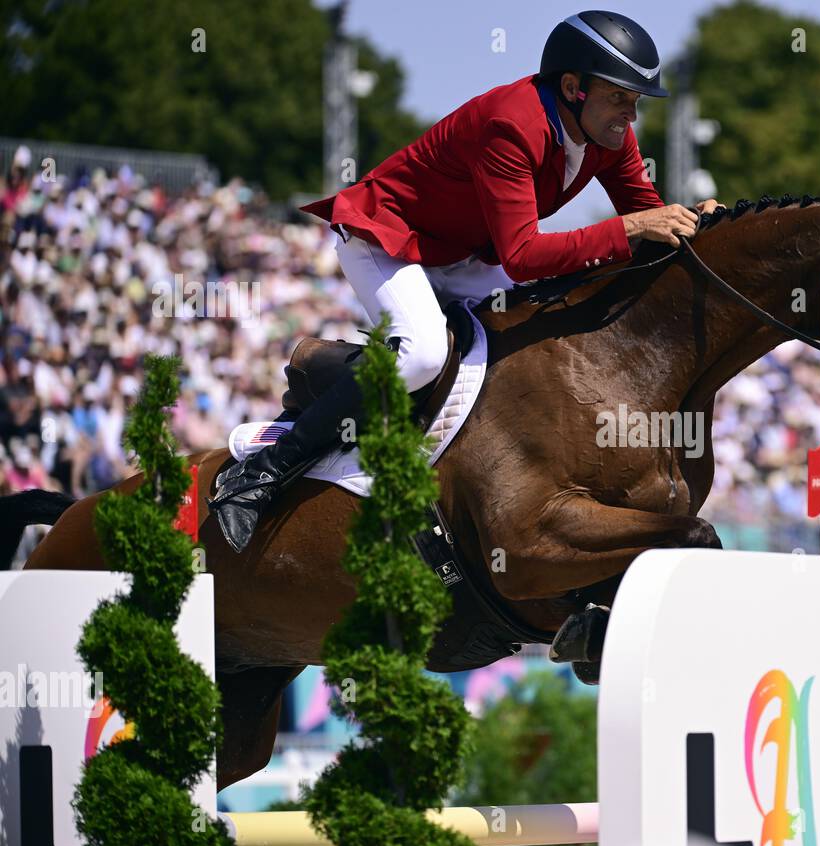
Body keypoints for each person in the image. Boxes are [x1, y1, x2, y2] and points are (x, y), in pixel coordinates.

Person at [209, 11, 723, 552]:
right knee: (424, 354)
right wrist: (630, 227)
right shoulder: (512, 123)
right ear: (573, 88)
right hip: (387, 238)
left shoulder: (609, 136)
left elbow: (646, 215)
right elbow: (524, 255)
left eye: (636, 101)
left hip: (465, 252)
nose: (631, 113)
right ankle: (261, 473)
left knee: (537, 336)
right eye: (621, 96)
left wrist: (701, 224)